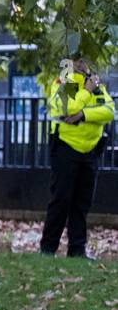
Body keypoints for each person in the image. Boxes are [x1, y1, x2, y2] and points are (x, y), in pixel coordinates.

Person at [40, 59, 114, 258]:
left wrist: (83, 114)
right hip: (66, 149)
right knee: (61, 200)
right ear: (71, 62)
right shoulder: (66, 81)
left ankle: (77, 250)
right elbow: (67, 108)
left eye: (86, 61)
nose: (83, 65)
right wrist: (86, 92)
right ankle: (47, 249)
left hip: (90, 152)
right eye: (79, 60)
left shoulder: (96, 86)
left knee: (82, 203)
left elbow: (109, 111)